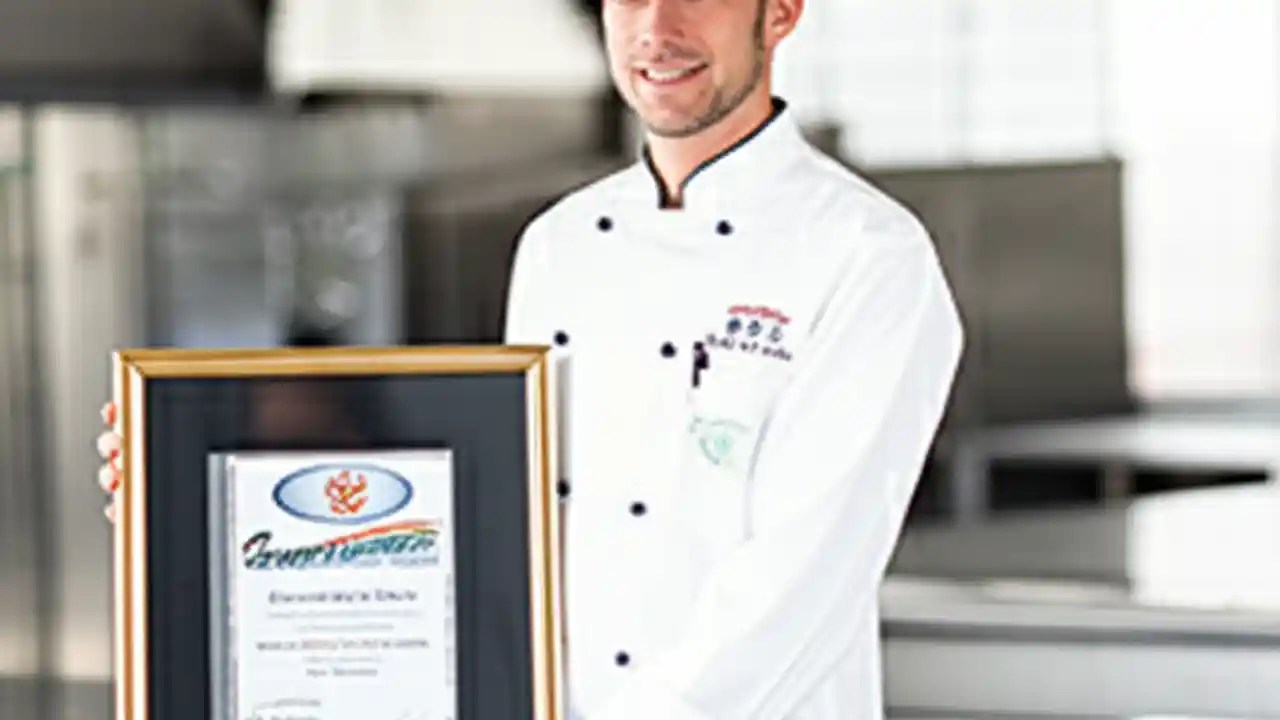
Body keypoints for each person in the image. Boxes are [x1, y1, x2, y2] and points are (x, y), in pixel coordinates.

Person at [99, 0, 964, 717]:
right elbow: (499, 515)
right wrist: (185, 486)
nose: (656, 30)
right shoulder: (559, 246)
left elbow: (802, 578)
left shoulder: (866, 254)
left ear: (779, 12)